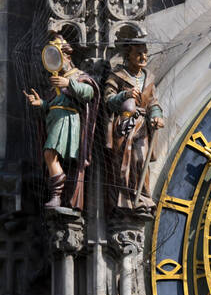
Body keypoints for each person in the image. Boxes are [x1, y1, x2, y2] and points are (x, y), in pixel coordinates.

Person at [24, 35, 99, 210]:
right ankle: (59, 196)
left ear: (67, 57)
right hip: (55, 120)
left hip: (67, 121)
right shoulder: (56, 82)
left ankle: (56, 196)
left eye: (58, 57)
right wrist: (41, 103)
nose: (55, 62)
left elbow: (89, 92)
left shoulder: (77, 76)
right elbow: (53, 104)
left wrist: (69, 83)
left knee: (49, 154)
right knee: (52, 157)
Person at [103, 30, 165, 213]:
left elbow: (153, 102)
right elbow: (108, 100)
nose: (143, 56)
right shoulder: (117, 76)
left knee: (140, 158)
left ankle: (143, 196)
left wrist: (156, 115)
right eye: (138, 53)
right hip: (125, 124)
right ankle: (126, 198)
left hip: (143, 126)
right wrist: (125, 95)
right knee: (125, 160)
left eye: (145, 53)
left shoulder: (148, 78)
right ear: (127, 55)